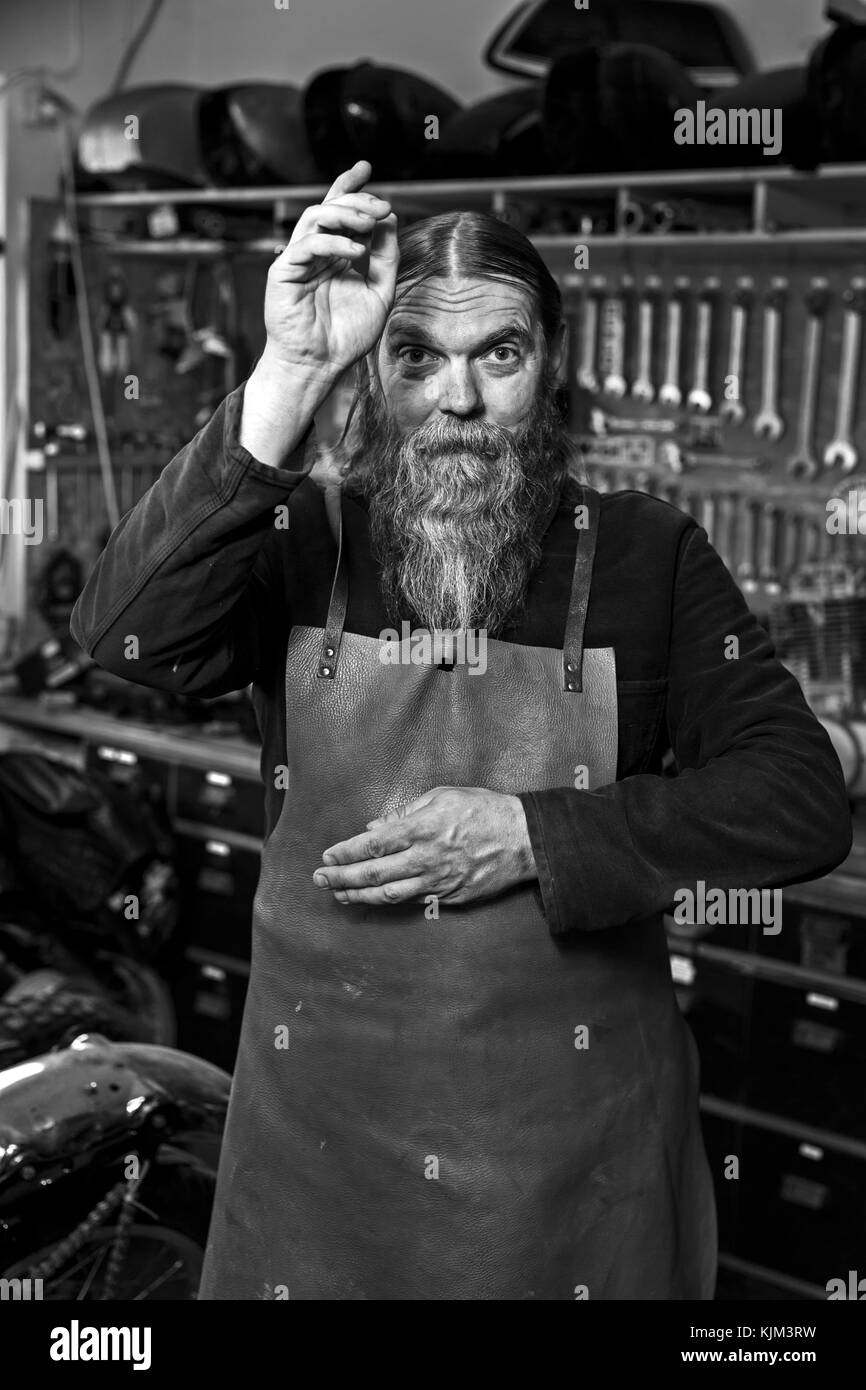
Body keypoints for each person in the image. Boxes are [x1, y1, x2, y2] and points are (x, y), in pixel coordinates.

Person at [70, 160, 852, 1301]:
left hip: (571, 1177)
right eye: (416, 358)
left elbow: (797, 800)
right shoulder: (300, 540)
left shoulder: (644, 554)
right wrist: (288, 372)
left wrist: (535, 835)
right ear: (374, 374)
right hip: (318, 1160)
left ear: (552, 364)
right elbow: (125, 637)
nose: (458, 400)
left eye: (500, 354)